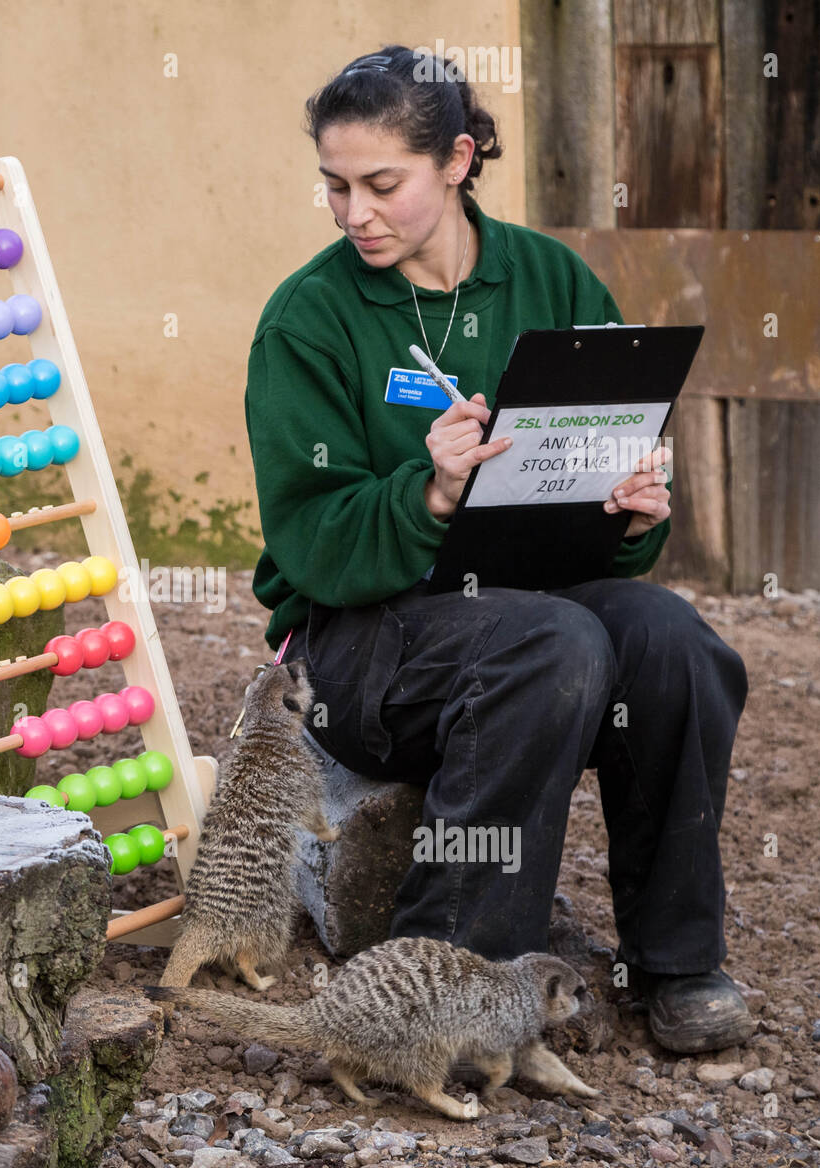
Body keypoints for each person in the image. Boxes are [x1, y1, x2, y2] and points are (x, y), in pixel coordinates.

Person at [244, 45, 753, 1053]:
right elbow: (311, 545)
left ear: (458, 160)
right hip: (362, 651)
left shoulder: (551, 279)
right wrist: (425, 489)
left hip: (528, 614)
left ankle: (675, 961)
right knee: (552, 643)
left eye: (382, 185)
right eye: (335, 187)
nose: (355, 214)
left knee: (671, 642)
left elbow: (590, 528)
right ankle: (449, 981)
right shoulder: (307, 320)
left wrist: (628, 515)